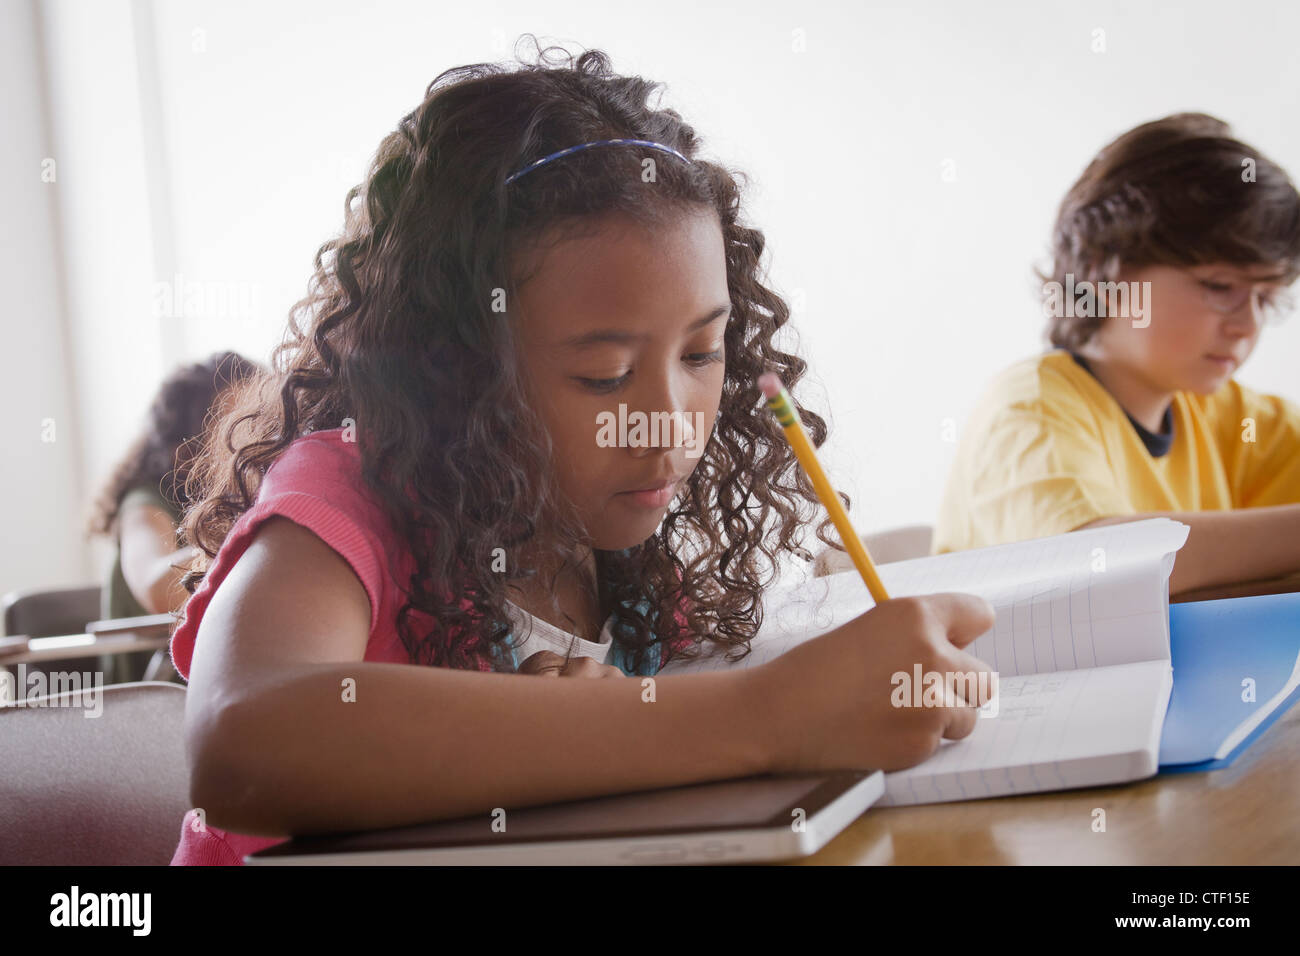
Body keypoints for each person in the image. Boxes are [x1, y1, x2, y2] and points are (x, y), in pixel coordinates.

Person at [169, 39, 995, 866]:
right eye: (603, 376)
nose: (669, 425)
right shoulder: (342, 495)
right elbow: (242, 736)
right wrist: (768, 715)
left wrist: (584, 735)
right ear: (455, 372)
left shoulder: (619, 567)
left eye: (704, 355)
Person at [933, 113, 1300, 598]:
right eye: (1219, 287)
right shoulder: (1031, 406)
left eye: (1265, 298)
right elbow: (1092, 564)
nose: (1248, 325)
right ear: (1103, 277)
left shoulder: (1236, 417)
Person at [87, 351, 260, 682]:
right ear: (186, 449)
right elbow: (157, 587)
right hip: (149, 702)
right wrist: (254, 541)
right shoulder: (144, 504)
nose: (254, 441)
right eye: (235, 428)